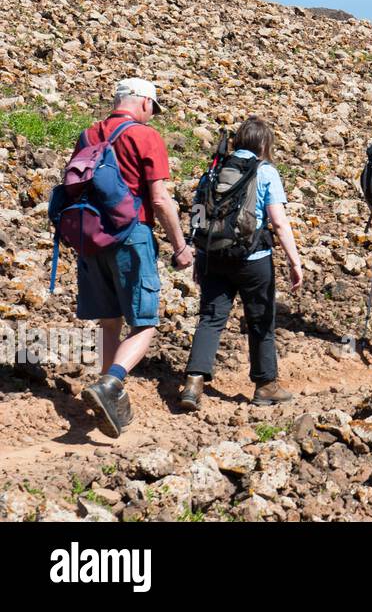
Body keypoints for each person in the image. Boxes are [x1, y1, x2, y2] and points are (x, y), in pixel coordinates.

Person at [75, 78, 194, 438]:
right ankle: (110, 385)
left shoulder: (88, 134)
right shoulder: (144, 136)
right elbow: (159, 199)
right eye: (153, 108)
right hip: (131, 236)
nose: (152, 116)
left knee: (109, 322)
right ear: (142, 102)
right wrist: (180, 246)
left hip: (91, 237)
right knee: (145, 323)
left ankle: (107, 393)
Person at [179, 117, 304, 409]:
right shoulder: (266, 171)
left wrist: (198, 251)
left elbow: (197, 211)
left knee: (210, 318)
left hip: (214, 255)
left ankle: (193, 383)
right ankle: (265, 385)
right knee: (260, 320)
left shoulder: (214, 169)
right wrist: (294, 262)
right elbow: (279, 223)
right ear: (264, 144)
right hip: (253, 259)